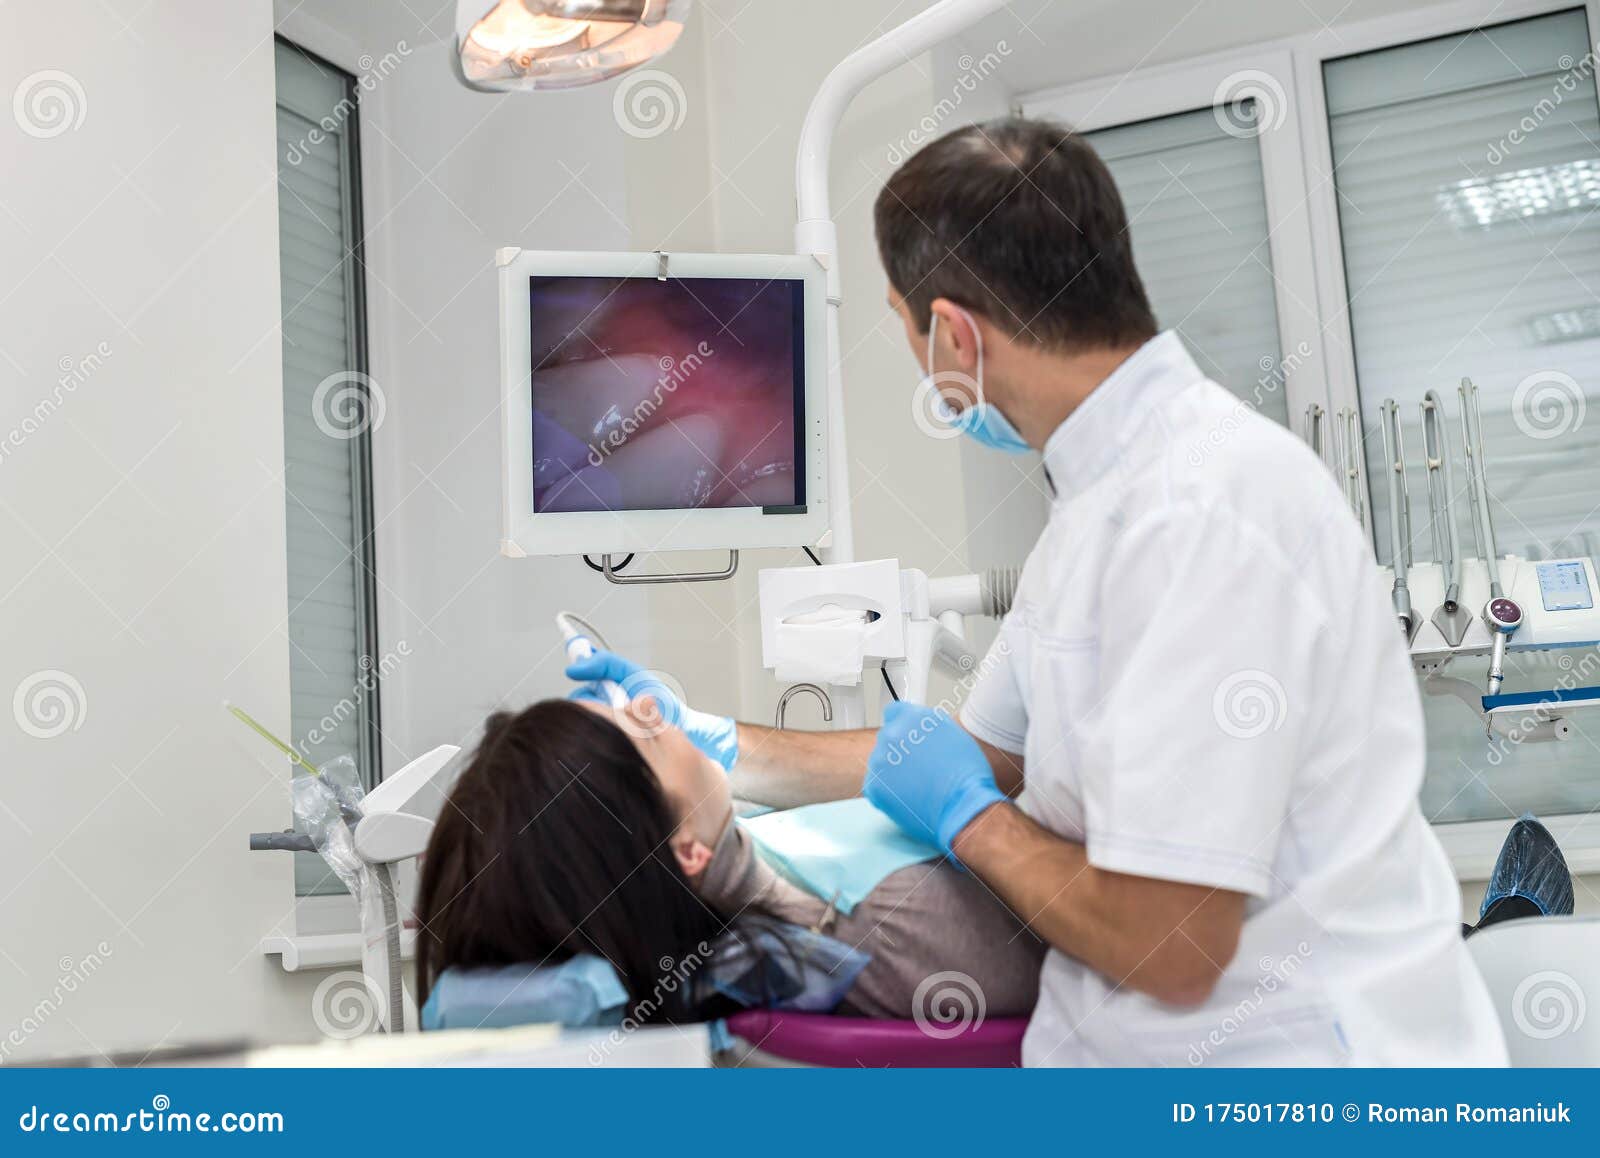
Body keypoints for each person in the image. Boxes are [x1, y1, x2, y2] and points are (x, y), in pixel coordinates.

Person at [567, 117, 1509, 1066]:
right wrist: (715, 743)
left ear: (952, 333)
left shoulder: (1201, 517)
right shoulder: (1101, 507)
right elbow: (980, 752)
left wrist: (974, 824)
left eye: (902, 324)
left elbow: (1172, 947)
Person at [414, 697, 1045, 1026]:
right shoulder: (873, 920)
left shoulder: (733, 867)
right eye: (637, 731)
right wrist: (976, 818)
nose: (648, 708)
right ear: (687, 849)